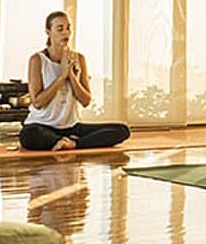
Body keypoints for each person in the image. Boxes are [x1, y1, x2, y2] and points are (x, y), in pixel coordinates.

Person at [19, 11, 130, 151]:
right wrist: (62, 76)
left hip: (71, 126)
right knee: (28, 135)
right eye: (60, 29)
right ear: (48, 32)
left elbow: (85, 101)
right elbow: (37, 102)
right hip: (41, 126)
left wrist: (72, 75)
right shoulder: (37, 60)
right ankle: (64, 141)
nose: (65, 32)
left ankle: (72, 143)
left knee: (121, 130)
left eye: (68, 28)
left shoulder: (79, 59)